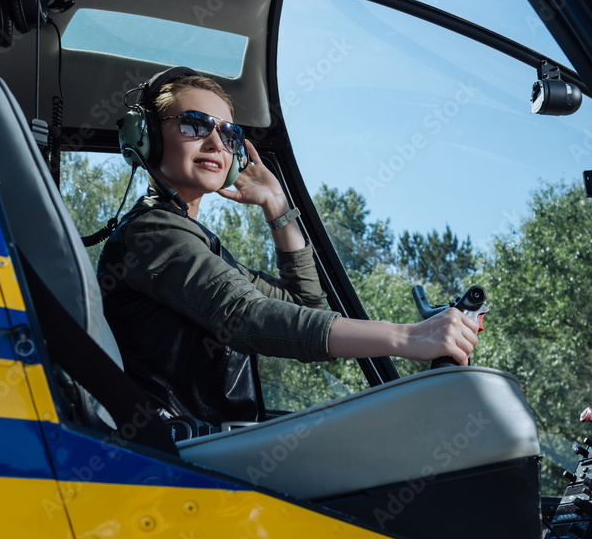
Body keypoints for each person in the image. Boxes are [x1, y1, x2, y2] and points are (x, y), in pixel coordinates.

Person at [98, 67, 477, 436]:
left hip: (202, 441)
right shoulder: (151, 233)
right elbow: (246, 316)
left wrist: (277, 205)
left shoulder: (197, 246)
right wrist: (408, 338)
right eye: (193, 125)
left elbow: (306, 304)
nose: (215, 143)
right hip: (163, 449)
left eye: (228, 134)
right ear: (146, 135)